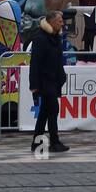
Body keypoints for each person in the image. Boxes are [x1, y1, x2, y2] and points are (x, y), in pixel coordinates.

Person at [28, 11, 69, 154]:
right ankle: (54, 142)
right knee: (52, 111)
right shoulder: (40, 38)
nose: (62, 23)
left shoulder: (56, 37)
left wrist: (61, 77)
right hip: (45, 82)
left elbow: (58, 60)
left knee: (45, 113)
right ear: (51, 22)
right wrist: (33, 84)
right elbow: (35, 62)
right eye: (59, 21)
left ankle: (37, 142)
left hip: (53, 80)